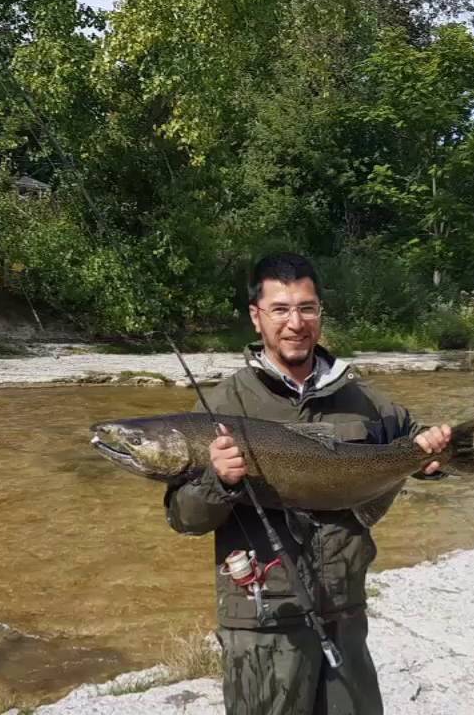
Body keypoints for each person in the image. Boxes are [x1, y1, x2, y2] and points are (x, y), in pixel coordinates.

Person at [165, 252, 453, 715]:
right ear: (256, 318)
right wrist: (218, 481)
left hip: (344, 608)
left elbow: (415, 447)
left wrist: (432, 457)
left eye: (307, 308)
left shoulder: (362, 399)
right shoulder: (223, 404)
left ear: (320, 312)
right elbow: (184, 518)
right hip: (262, 618)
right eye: (280, 310)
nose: (295, 322)